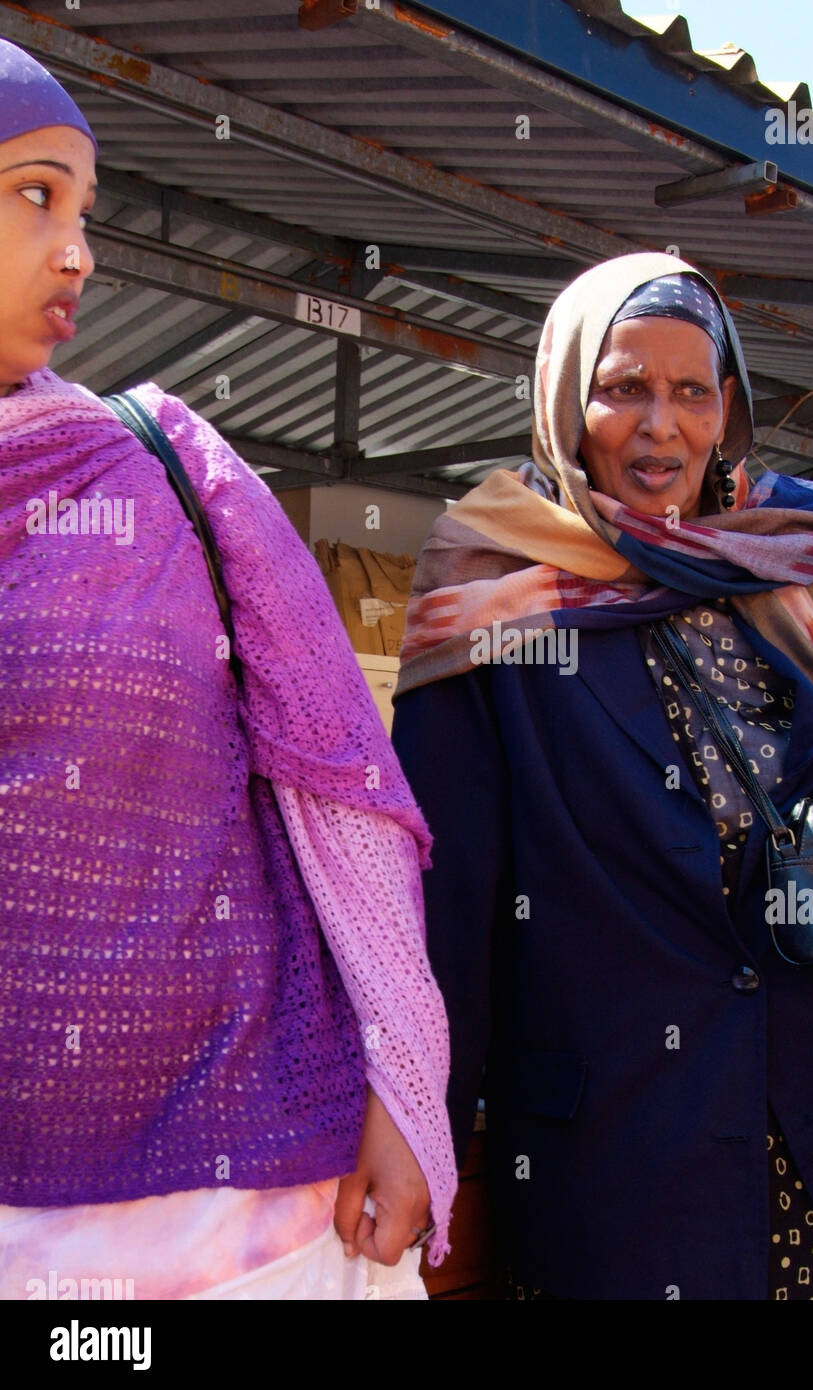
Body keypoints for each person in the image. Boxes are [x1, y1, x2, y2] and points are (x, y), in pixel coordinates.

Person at [391, 251, 813, 1300]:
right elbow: (444, 907)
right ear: (569, 398)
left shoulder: (810, 551)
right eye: (623, 388)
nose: (657, 425)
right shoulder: (488, 584)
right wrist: (416, 1124)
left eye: (689, 391)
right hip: (628, 1161)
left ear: (727, 410)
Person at [0, 38, 456, 1301]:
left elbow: (337, 793)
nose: (78, 250)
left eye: (84, 209)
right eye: (36, 194)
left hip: (229, 1208)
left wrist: (405, 1085)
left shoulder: (173, 473)